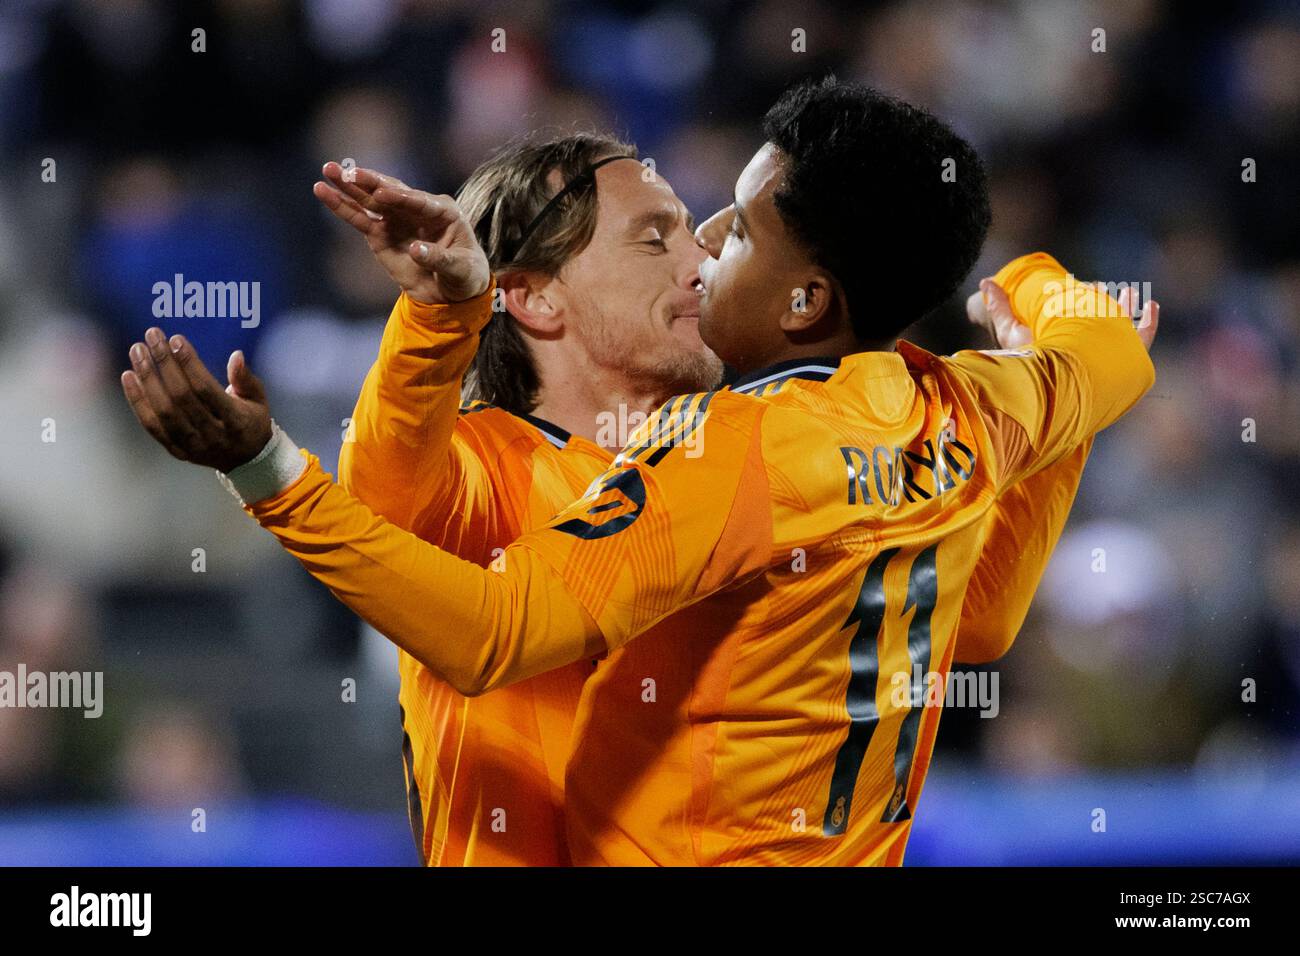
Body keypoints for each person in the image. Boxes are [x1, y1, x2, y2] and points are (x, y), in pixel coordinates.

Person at [122, 77, 1156, 864]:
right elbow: (385, 497)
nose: (703, 255)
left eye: (717, 227)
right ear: (534, 298)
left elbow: (964, 623)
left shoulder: (747, 451)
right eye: (656, 237)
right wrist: (441, 313)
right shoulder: (492, 463)